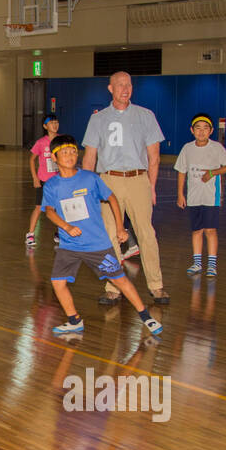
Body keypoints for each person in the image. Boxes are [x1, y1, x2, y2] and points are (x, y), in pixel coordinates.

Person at [41, 133, 164, 339]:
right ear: (54, 158)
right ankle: (74, 321)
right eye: (64, 153)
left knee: (120, 280)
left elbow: (112, 199)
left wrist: (119, 227)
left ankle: (145, 316)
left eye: (73, 151)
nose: (70, 156)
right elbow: (50, 211)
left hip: (96, 245)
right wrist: (66, 226)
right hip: (69, 245)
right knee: (57, 282)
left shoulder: (90, 179)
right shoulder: (52, 186)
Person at [82, 71, 169, 306]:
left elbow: (154, 157)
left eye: (128, 85)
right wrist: (88, 190)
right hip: (108, 180)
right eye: (120, 85)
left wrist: (151, 186)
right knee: (110, 236)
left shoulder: (145, 116)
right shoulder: (98, 119)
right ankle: (113, 286)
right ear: (110, 88)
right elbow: (89, 158)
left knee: (146, 233)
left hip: (137, 178)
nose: (125, 89)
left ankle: (156, 285)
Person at [174, 113, 226, 278]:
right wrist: (180, 194)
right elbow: (181, 171)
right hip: (194, 197)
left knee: (210, 230)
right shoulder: (187, 148)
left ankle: (212, 264)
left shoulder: (216, 148)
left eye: (205, 128)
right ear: (192, 130)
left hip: (210, 197)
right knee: (196, 230)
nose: (201, 132)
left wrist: (213, 172)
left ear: (211, 131)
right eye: (198, 128)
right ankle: (197, 263)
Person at [25, 113, 60, 246]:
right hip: (44, 180)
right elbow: (32, 159)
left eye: (56, 122)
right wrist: (35, 177)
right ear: (45, 126)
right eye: (51, 123)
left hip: (58, 180)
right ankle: (30, 234)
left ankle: (59, 232)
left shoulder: (61, 140)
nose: (55, 125)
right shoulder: (41, 143)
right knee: (39, 207)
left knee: (59, 208)